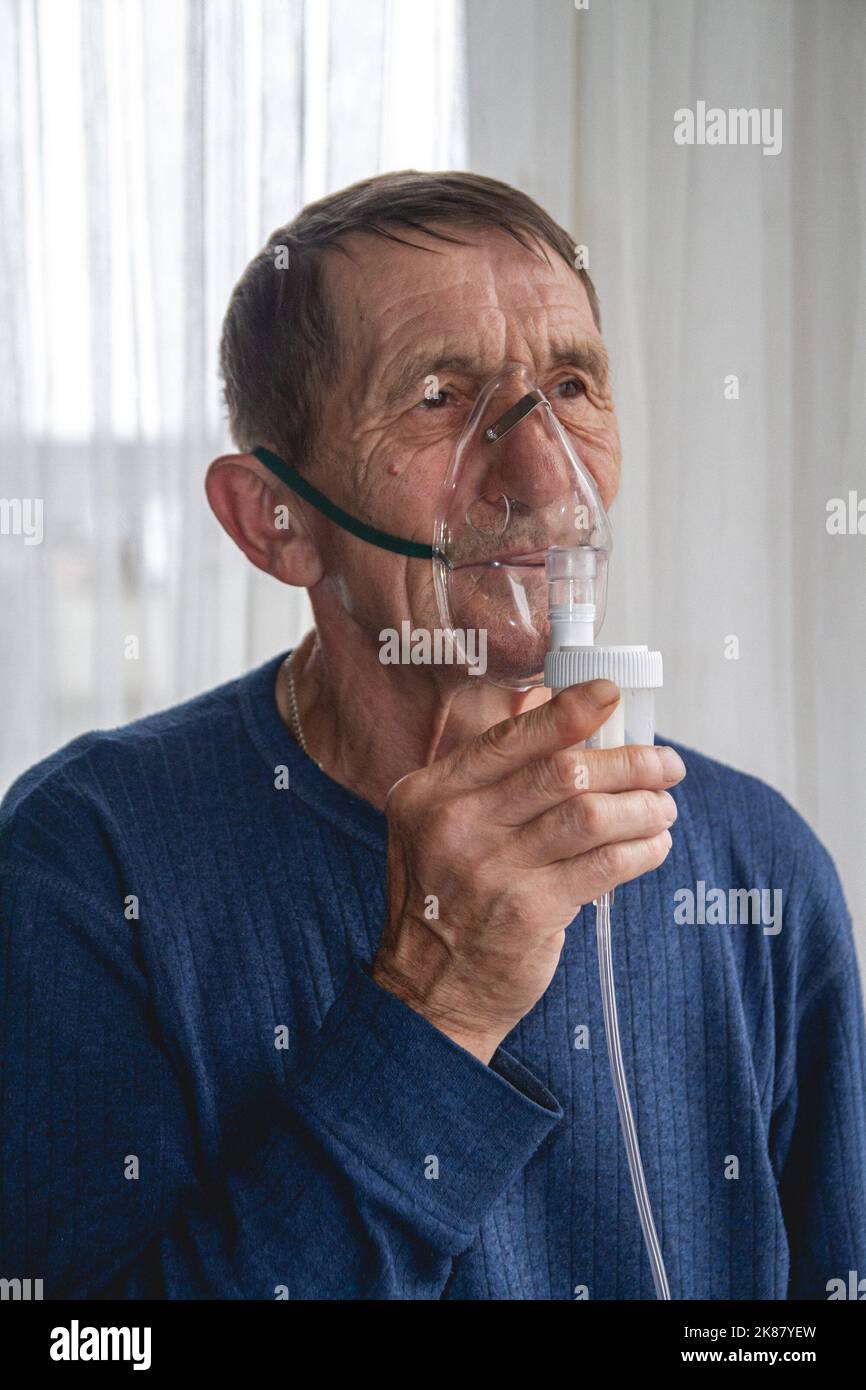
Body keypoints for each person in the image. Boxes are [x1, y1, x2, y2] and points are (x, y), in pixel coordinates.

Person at [2, 171, 864, 1300]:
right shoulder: (88, 864)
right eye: (437, 396)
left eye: (570, 383)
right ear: (276, 519)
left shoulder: (755, 870)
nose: (548, 474)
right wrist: (433, 1010)